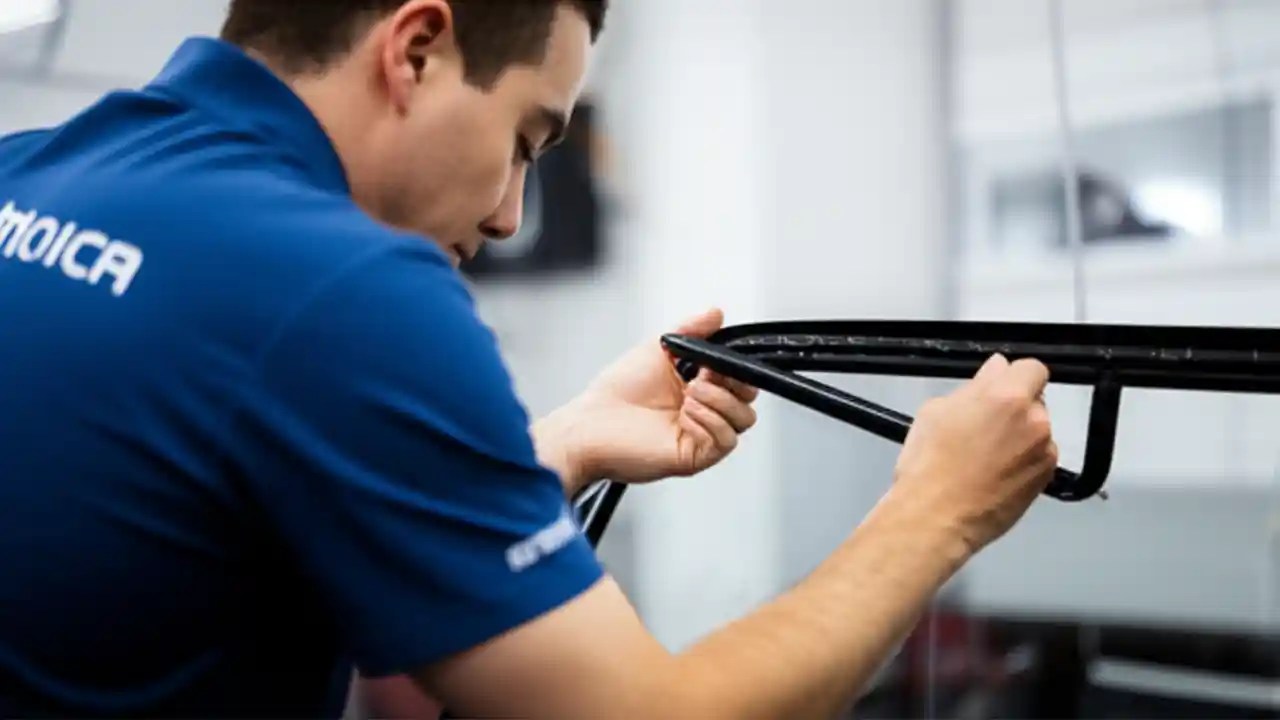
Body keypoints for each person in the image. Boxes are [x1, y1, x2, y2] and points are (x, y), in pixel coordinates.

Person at [0, 1, 1060, 717]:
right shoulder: (343, 288)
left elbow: (194, 526)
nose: (509, 214)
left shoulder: (32, 171)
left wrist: (558, 441)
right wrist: (935, 511)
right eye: (523, 139)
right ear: (414, 47)